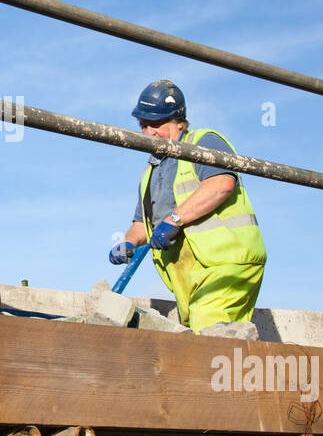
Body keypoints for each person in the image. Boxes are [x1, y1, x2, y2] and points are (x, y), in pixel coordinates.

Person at [109, 80, 266, 331]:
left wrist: (174, 220)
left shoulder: (202, 142)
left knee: (209, 332)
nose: (149, 131)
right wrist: (129, 242)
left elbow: (222, 183)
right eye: (143, 124)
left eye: (157, 124)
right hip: (188, 275)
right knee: (199, 336)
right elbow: (142, 225)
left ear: (179, 121)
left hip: (225, 262)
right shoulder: (149, 174)